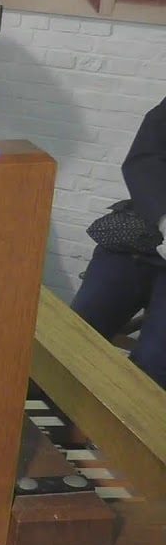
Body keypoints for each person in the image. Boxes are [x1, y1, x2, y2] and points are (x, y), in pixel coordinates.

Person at [71, 96, 166, 390]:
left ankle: (123, 431)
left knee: (154, 365)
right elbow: (147, 154)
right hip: (142, 232)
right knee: (74, 334)